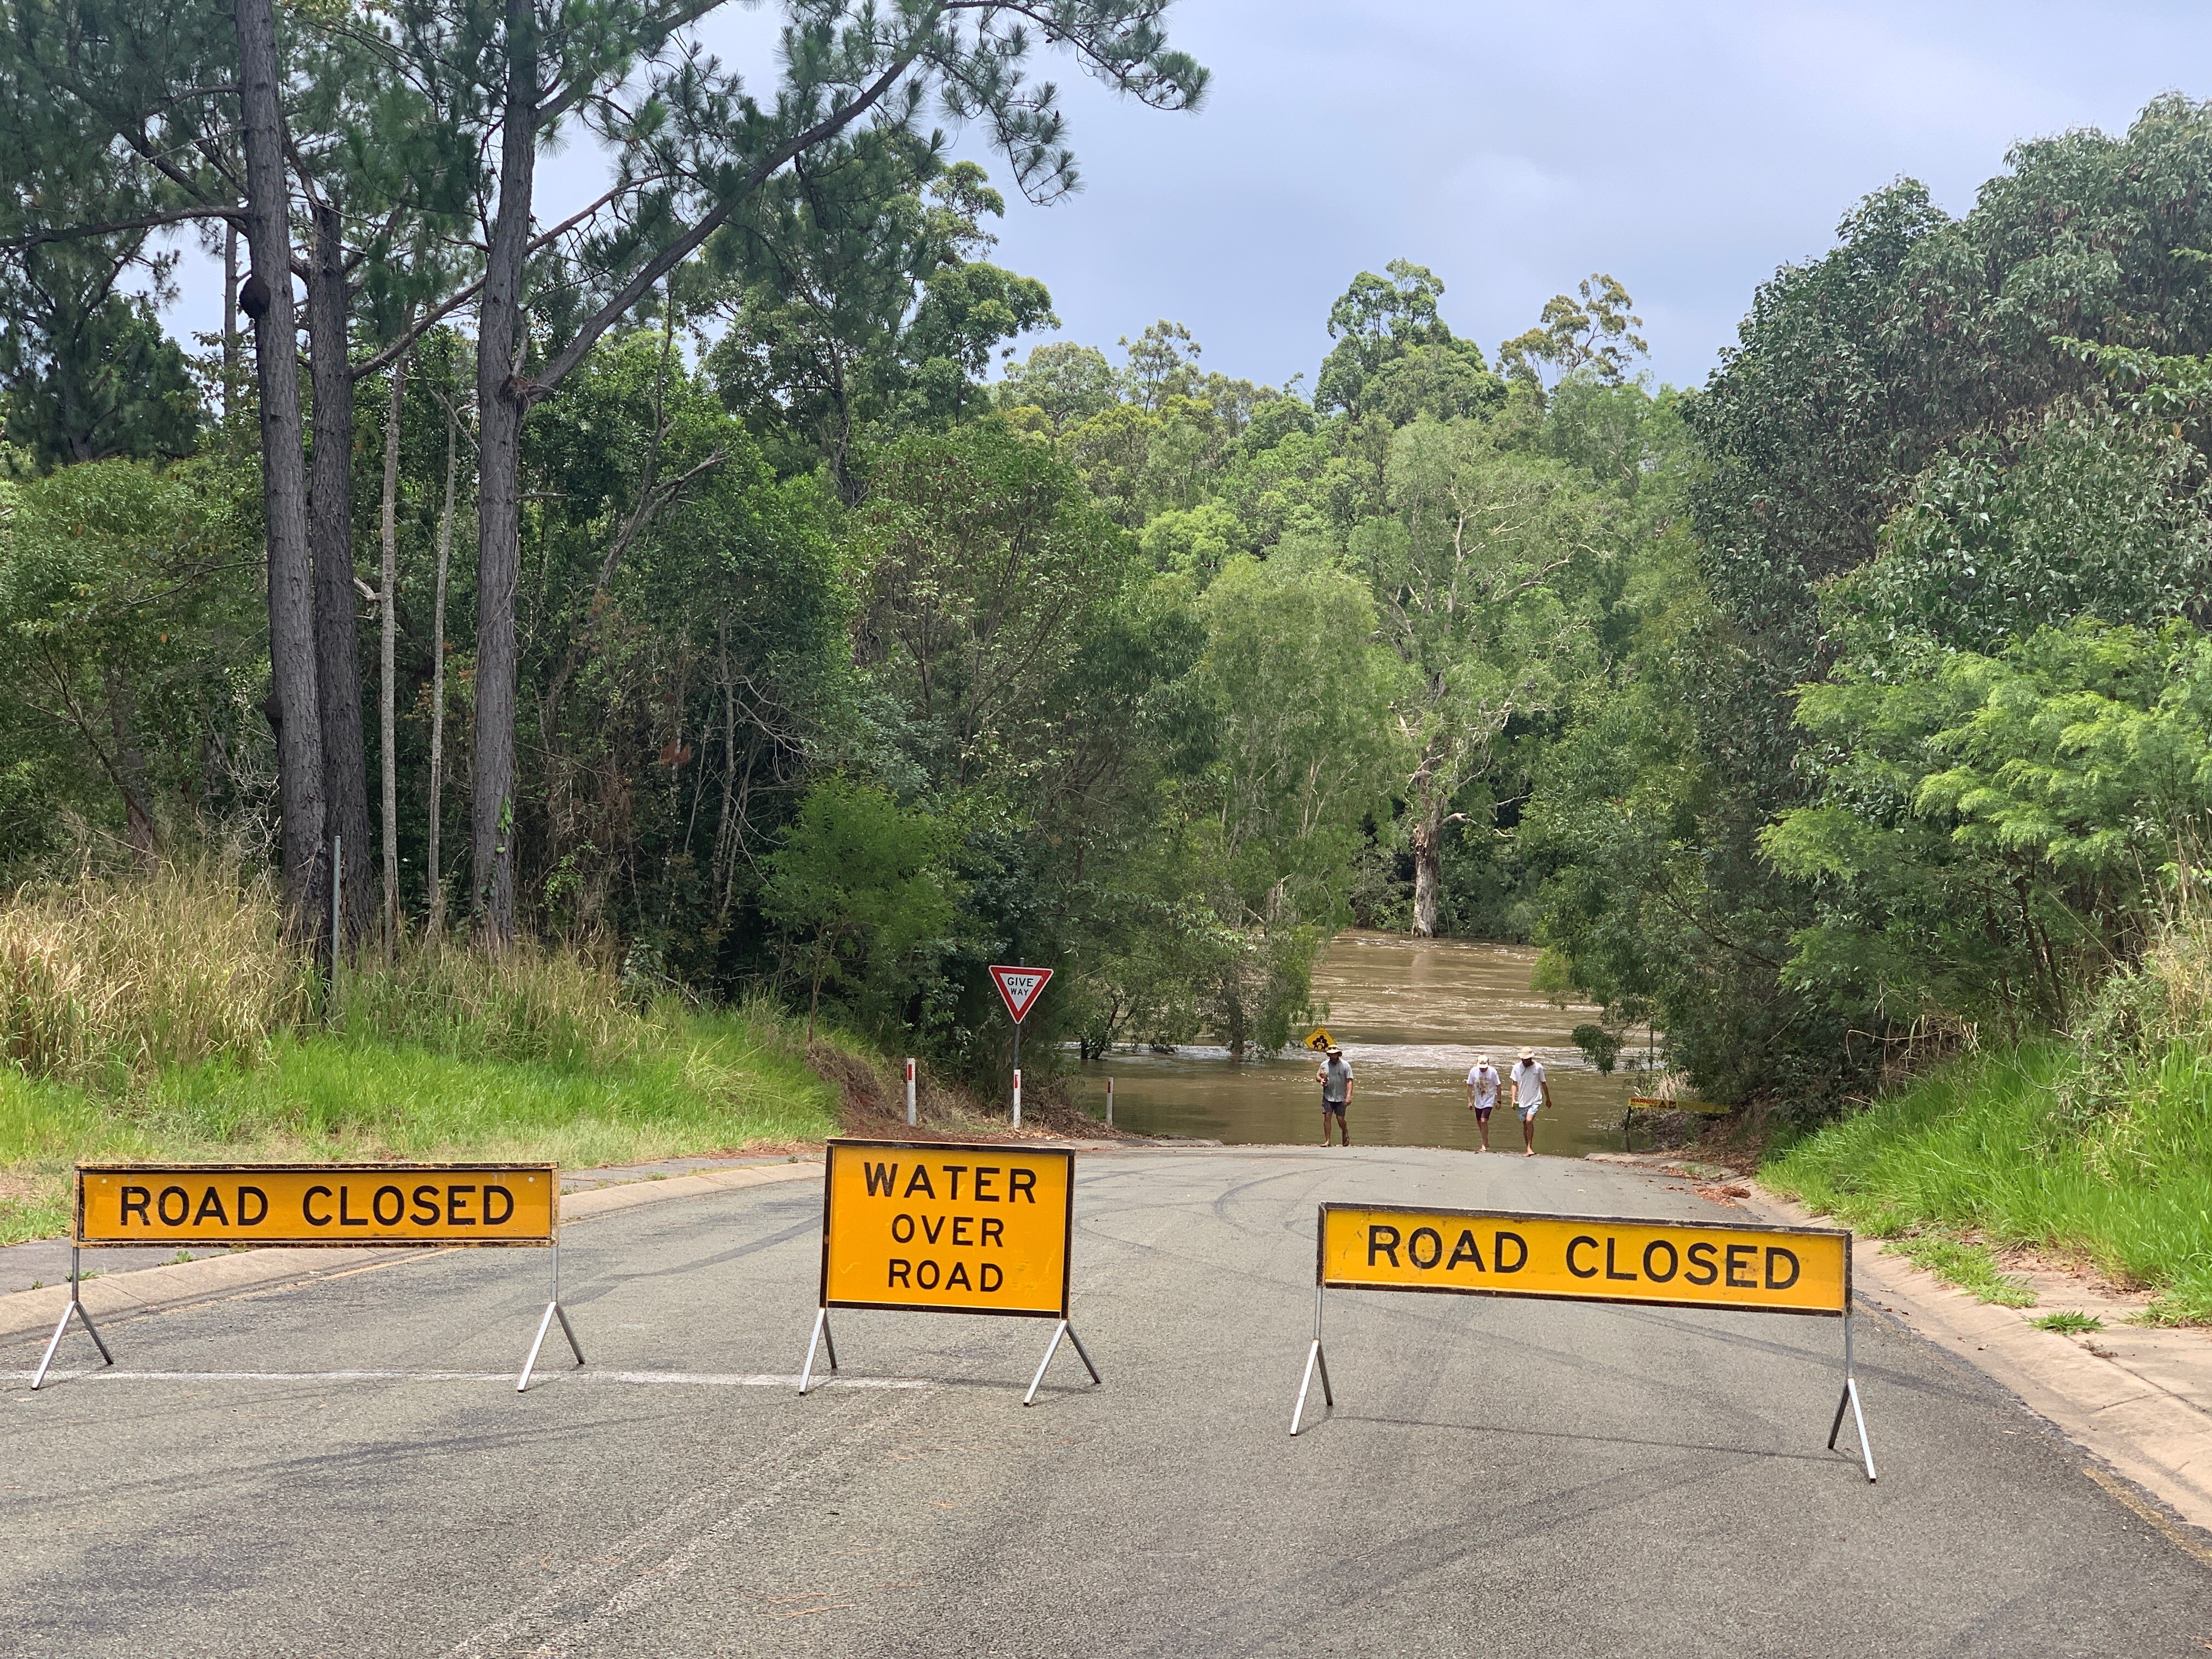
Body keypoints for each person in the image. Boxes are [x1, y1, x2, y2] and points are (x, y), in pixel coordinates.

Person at [1509, 1046, 1551, 1156]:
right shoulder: (1516, 1068)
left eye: (1527, 1059)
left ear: (1531, 1058)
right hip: (1522, 1100)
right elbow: (1514, 1084)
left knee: (1529, 1121)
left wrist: (1548, 1099)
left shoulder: (1538, 1068)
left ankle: (1530, 1147)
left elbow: (1543, 1084)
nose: (1526, 1061)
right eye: (1524, 1059)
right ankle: (1527, 1147)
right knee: (1525, 1125)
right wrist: (1513, 1099)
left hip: (1535, 1099)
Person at [1316, 1045, 1354, 1146]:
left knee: (1340, 1119)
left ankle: (1345, 1132)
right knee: (1327, 1117)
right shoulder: (1324, 1065)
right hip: (1328, 1095)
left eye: (1335, 1054)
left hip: (1341, 1096)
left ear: (1338, 1054)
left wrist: (1349, 1096)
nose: (1333, 1056)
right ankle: (1328, 1140)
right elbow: (1318, 1076)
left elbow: (1350, 1081)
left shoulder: (1345, 1065)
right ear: (1329, 1055)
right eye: (1331, 1054)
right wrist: (1321, 1080)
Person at [1465, 1053, 1501, 1152]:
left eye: (1484, 1068)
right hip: (1478, 1101)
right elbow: (1470, 1086)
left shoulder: (1493, 1072)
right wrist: (1469, 1101)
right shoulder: (1473, 1071)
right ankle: (1486, 1140)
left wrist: (1499, 1101)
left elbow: (1498, 1086)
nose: (1483, 1070)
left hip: (1489, 1100)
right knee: (1479, 1122)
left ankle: (1484, 1144)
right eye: (1481, 1068)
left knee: (1483, 1120)